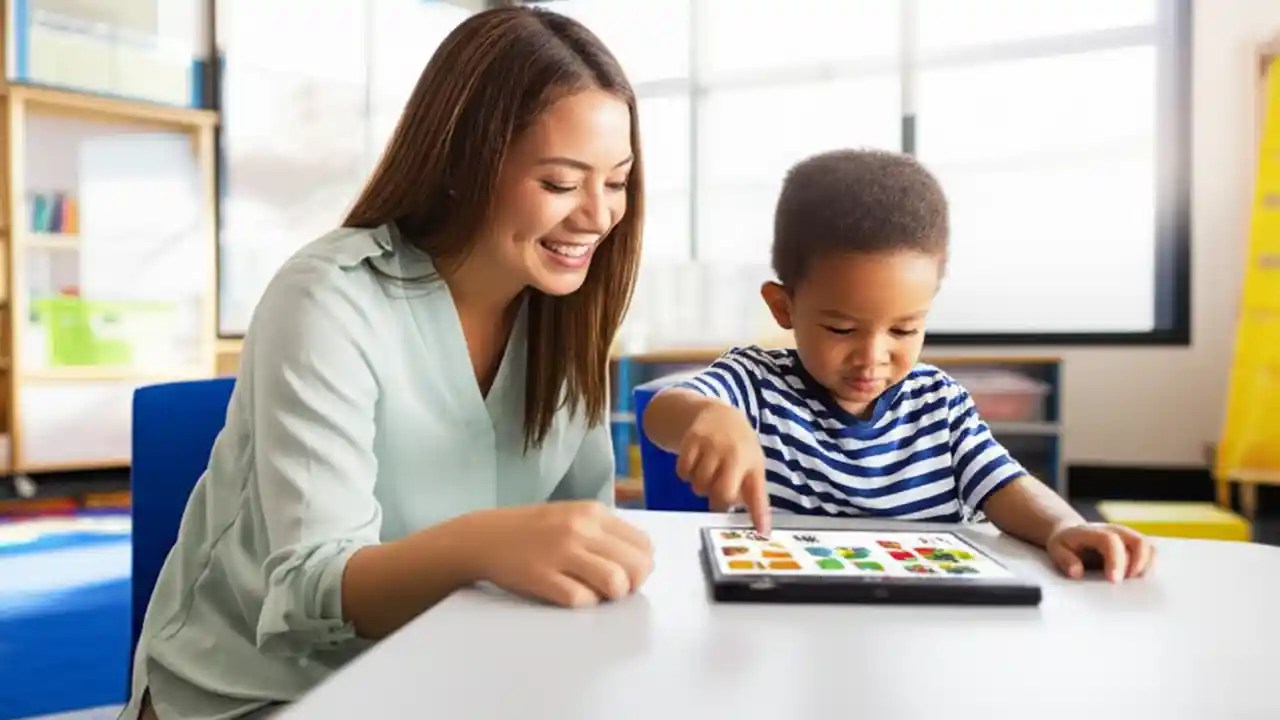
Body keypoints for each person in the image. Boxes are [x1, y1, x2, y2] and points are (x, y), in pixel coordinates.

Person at [124, 7, 654, 719]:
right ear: (465, 167)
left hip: (443, 677)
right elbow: (311, 590)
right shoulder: (330, 298)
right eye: (561, 183)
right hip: (256, 693)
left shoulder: (565, 312)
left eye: (616, 182)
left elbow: (579, 540)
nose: (598, 214)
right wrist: (485, 546)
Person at [642, 148, 1156, 584]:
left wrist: (1063, 527)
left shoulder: (940, 405)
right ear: (784, 308)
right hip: (784, 622)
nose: (873, 356)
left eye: (905, 329)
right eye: (842, 329)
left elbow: (1003, 486)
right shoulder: (755, 383)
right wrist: (706, 416)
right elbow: (663, 412)